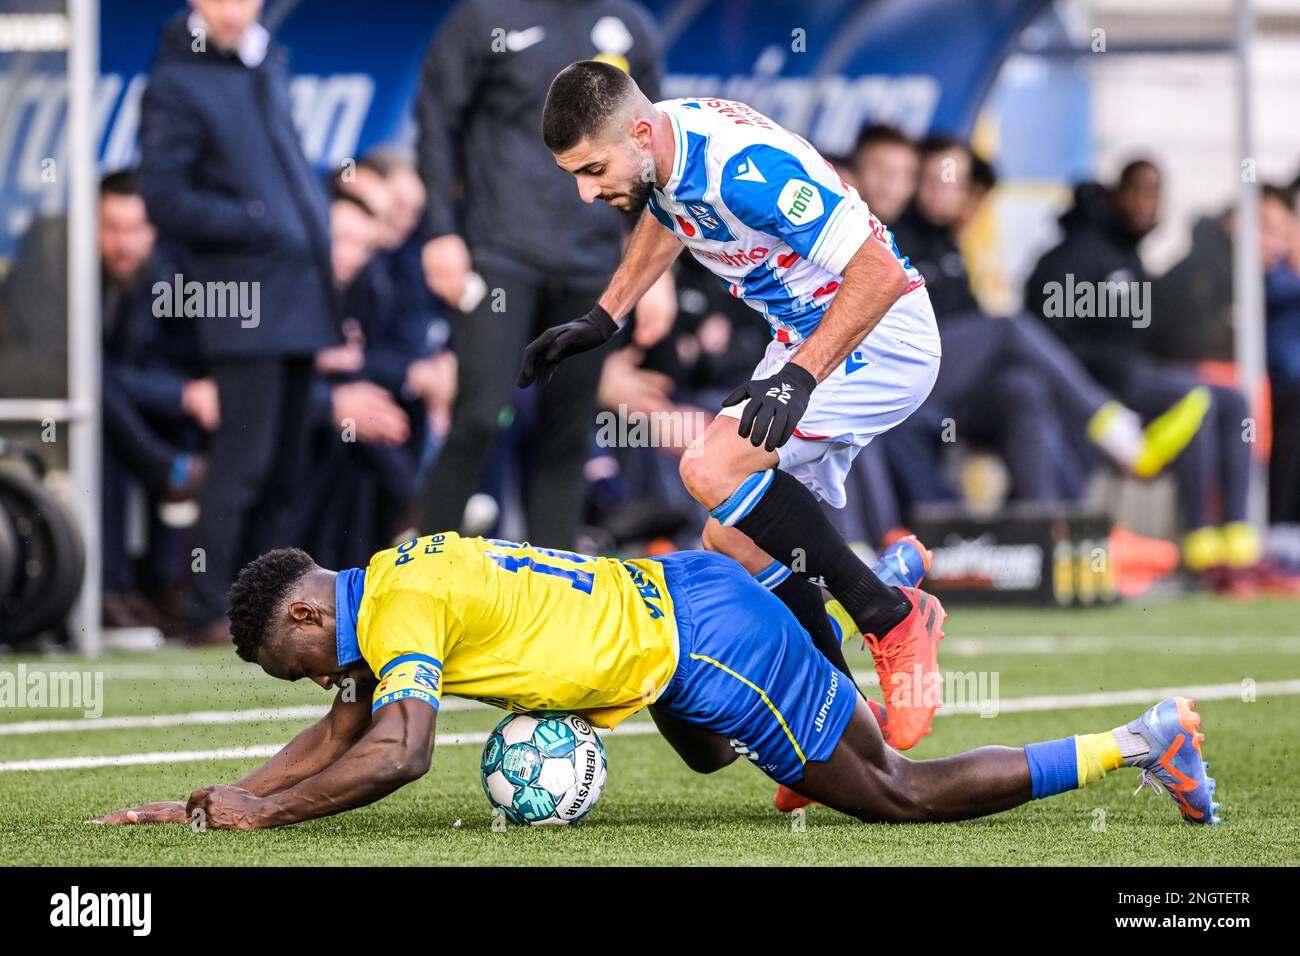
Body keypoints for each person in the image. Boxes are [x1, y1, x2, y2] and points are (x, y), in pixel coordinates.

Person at [89, 534, 1221, 830]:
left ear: (301, 613)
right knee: (710, 751)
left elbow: (400, 749)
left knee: (898, 793)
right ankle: (814, 599)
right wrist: (221, 795)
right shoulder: (388, 577)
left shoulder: (392, 612)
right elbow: (342, 730)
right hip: (674, 613)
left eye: (292, 662)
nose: (311, 682)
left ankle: (1142, 738)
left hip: (699, 643)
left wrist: (269, 810)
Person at [517, 62, 949, 781]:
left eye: (591, 170)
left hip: (880, 337)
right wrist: (604, 317)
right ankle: (848, 737)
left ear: (640, 132)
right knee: (734, 538)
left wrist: (799, 380)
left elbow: (880, 273)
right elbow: (672, 218)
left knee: (709, 467)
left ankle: (890, 614)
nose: (586, 192)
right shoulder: (664, 149)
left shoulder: (744, 169)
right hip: (806, 338)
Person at [414, 0, 663, 551]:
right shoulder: (482, 17)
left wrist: (657, 272)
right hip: (500, 252)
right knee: (479, 415)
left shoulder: (633, 24)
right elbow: (436, 123)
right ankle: (421, 574)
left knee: (569, 433)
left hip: (595, 260)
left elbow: (657, 147)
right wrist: (439, 231)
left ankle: (555, 588)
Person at [1025, 161, 1262, 591]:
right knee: (1194, 398)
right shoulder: (1076, 253)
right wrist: (1111, 369)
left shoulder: (1130, 256)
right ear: (1114, 193)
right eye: (1138, 191)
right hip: (1096, 391)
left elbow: (1143, 336)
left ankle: (1237, 542)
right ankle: (1200, 546)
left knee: (1233, 399)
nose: (1146, 204)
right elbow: (1046, 340)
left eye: (1155, 195)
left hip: (1137, 379)